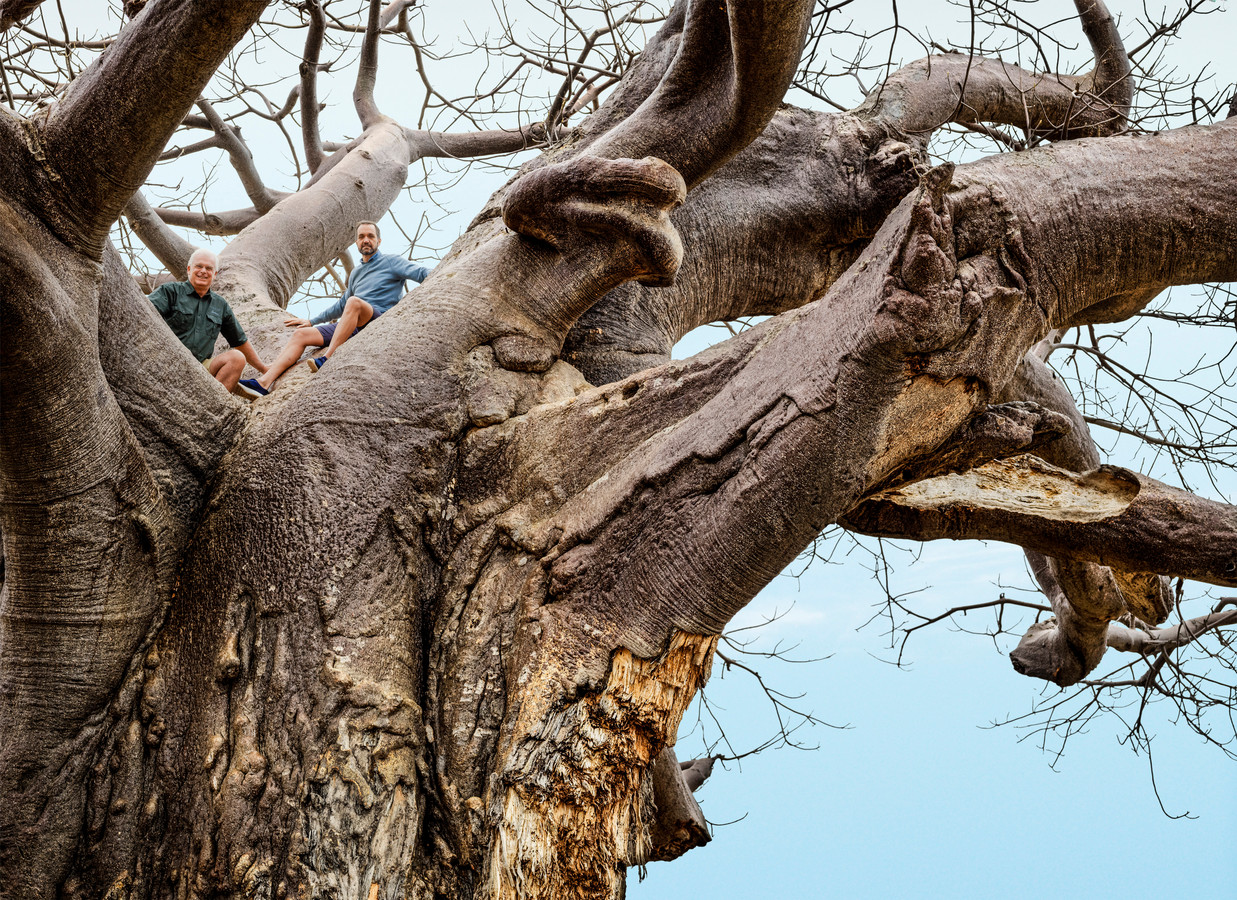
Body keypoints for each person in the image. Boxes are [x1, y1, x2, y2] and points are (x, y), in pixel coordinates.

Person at [240, 221, 430, 396]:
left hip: (376, 319)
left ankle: (328, 358)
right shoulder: (356, 272)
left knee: (355, 302)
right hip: (352, 323)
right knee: (301, 334)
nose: (366, 240)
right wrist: (312, 321)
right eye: (361, 236)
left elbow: (421, 273)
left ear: (378, 241)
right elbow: (342, 304)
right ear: (356, 242)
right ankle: (263, 383)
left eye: (370, 236)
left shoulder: (391, 262)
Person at [150, 248, 268, 400]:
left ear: (215, 274)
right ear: (189, 269)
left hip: (200, 368)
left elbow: (239, 340)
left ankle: (212, 405)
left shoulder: (220, 305)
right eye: (199, 266)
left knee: (237, 358)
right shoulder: (169, 291)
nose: (203, 271)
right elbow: (143, 314)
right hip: (166, 361)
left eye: (209, 268)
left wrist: (263, 368)